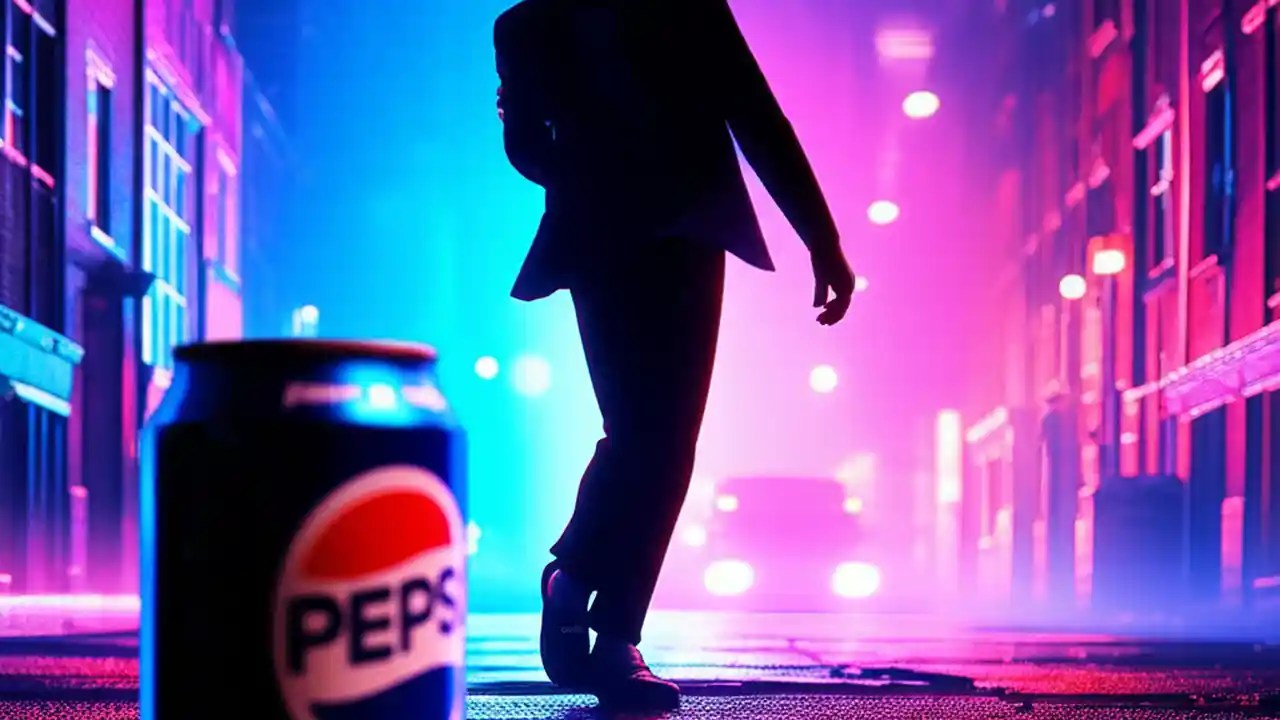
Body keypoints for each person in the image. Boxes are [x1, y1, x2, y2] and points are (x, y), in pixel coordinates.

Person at [494, 0, 854, 710]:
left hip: (687, 233)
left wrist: (821, 237)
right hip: (602, 235)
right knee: (640, 434)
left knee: (667, 438)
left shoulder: (689, 10)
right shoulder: (526, 26)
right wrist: (592, 161)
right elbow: (526, 147)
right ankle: (593, 609)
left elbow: (757, 117)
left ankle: (608, 620)